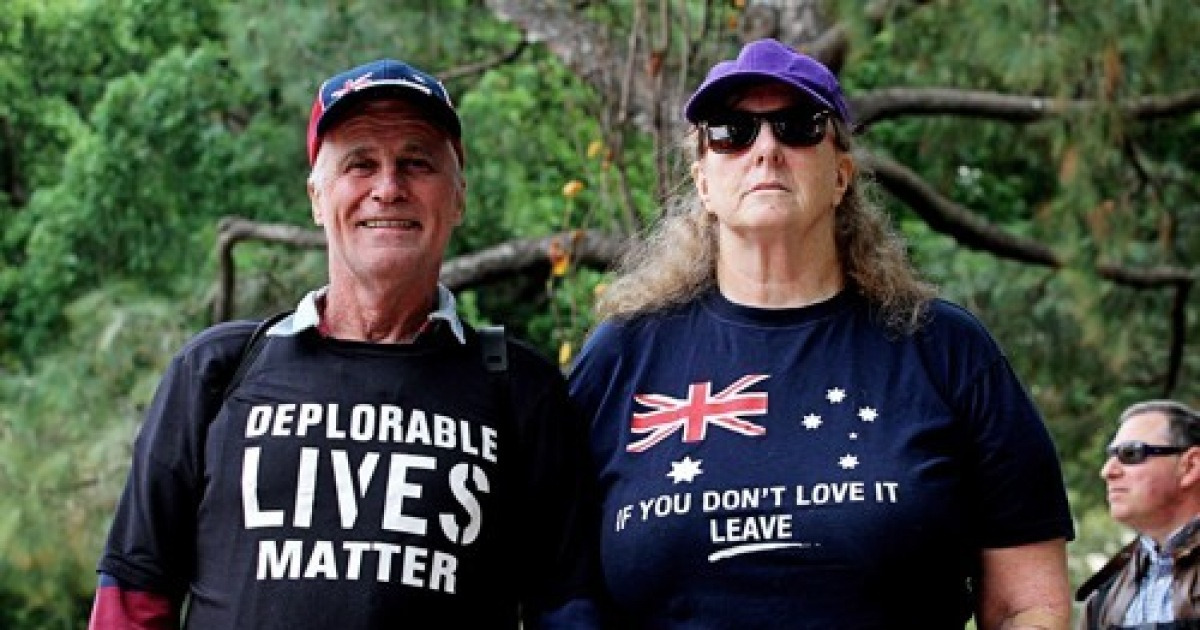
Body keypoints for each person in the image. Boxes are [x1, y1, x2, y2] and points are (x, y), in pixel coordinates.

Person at [567, 38, 1074, 629]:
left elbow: (1028, 604)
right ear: (702, 181)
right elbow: (560, 590)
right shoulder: (622, 356)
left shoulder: (945, 349)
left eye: (797, 126)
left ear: (841, 175)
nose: (766, 150)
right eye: (732, 130)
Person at [89, 58, 600, 629]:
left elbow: (568, 610)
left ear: (457, 198)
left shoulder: (521, 390)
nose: (388, 187)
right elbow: (133, 598)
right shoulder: (218, 371)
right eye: (361, 163)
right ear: (316, 196)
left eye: (416, 163)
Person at [1076, 400, 1200, 628]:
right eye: (1110, 455)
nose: (1107, 471)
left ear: (1190, 466)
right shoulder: (1103, 596)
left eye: (1130, 453)